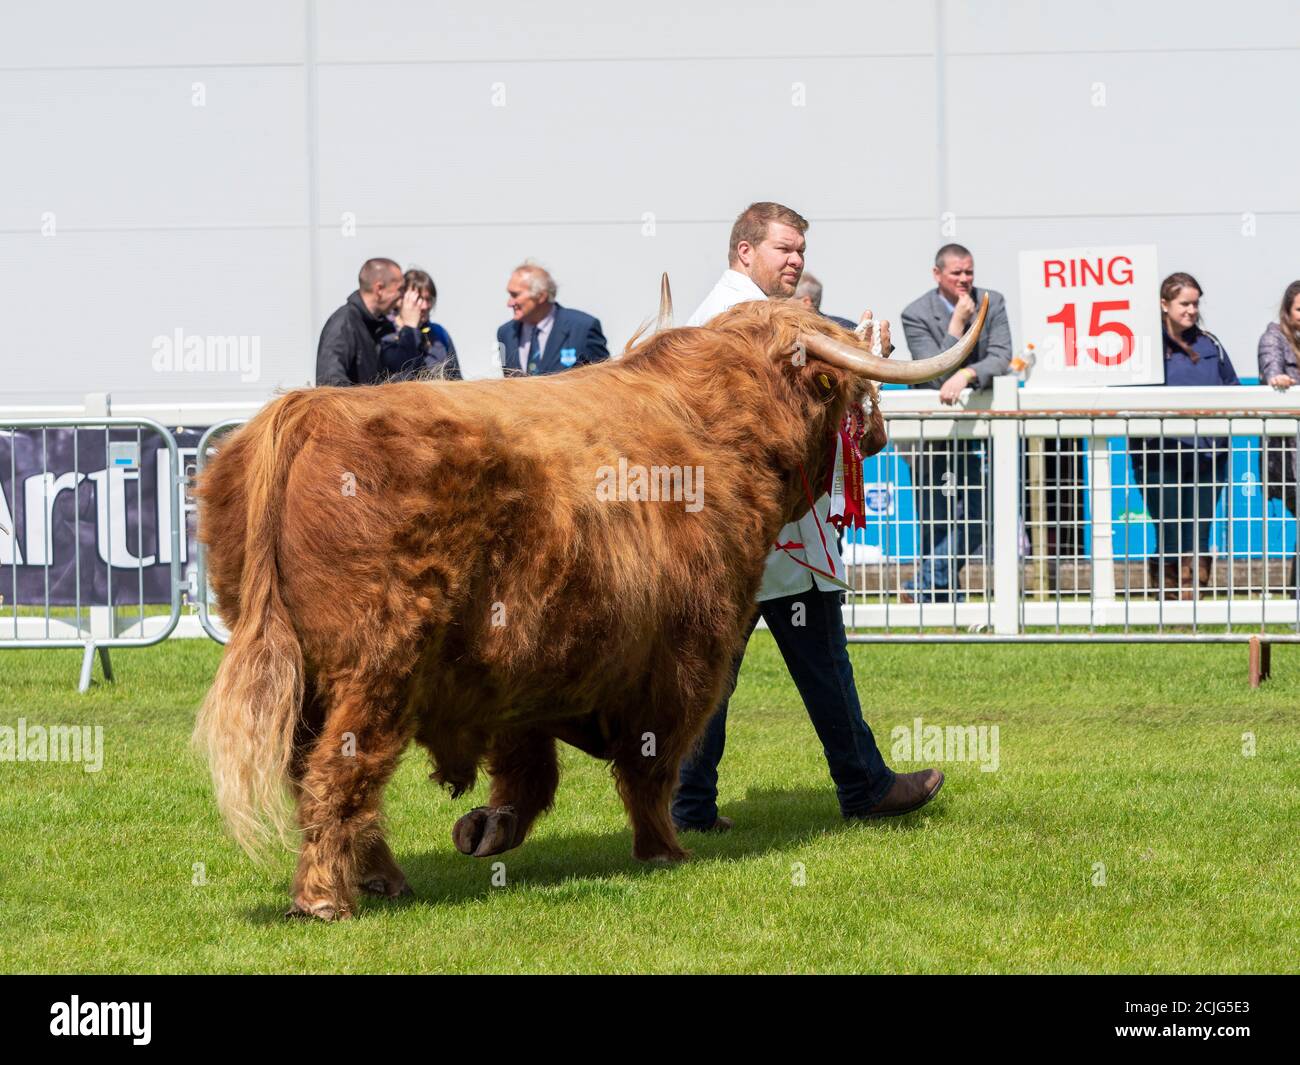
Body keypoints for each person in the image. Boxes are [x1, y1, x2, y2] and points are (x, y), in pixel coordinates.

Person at [673, 201, 943, 834]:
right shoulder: (740, 323)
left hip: (752, 534)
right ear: (745, 251)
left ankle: (689, 805)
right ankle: (864, 786)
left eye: (800, 251)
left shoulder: (740, 316)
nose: (795, 260)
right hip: (765, 531)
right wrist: (855, 366)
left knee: (719, 674)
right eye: (783, 249)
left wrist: (850, 365)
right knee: (812, 663)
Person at [898, 244, 1013, 603]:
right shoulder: (914, 313)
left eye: (969, 272)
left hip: (976, 427)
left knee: (982, 513)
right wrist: (957, 324)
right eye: (956, 273)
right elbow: (931, 374)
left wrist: (966, 374)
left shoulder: (992, 301)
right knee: (934, 516)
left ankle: (922, 585)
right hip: (930, 431)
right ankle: (945, 596)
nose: (965, 280)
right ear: (938, 275)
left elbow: (1001, 356)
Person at [1130, 272, 1240, 598]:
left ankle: (1194, 606)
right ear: (1164, 304)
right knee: (1169, 531)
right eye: (1184, 304)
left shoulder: (1212, 344)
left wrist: (1220, 437)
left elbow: (1232, 388)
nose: (1191, 311)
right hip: (1158, 455)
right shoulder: (1144, 347)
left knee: (1200, 533)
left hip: (1208, 454)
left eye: (1195, 304)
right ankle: (1168, 604)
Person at [1257, 280, 1300, 593]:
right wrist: (1277, 378)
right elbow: (1270, 368)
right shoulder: (1274, 337)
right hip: (1289, 453)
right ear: (1287, 310)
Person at [496, 263, 609, 376]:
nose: (509, 303)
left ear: (541, 296)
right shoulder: (505, 333)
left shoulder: (583, 329)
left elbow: (606, 380)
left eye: (515, 295)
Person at [315, 258, 404, 386]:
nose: (402, 296)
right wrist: (368, 403)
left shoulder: (380, 326)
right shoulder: (344, 322)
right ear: (379, 289)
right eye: (400, 289)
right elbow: (329, 385)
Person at [380, 268, 461, 381]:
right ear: (401, 299)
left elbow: (456, 379)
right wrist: (411, 328)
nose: (425, 306)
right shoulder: (385, 333)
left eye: (429, 299)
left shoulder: (439, 333)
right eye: (418, 299)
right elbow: (401, 376)